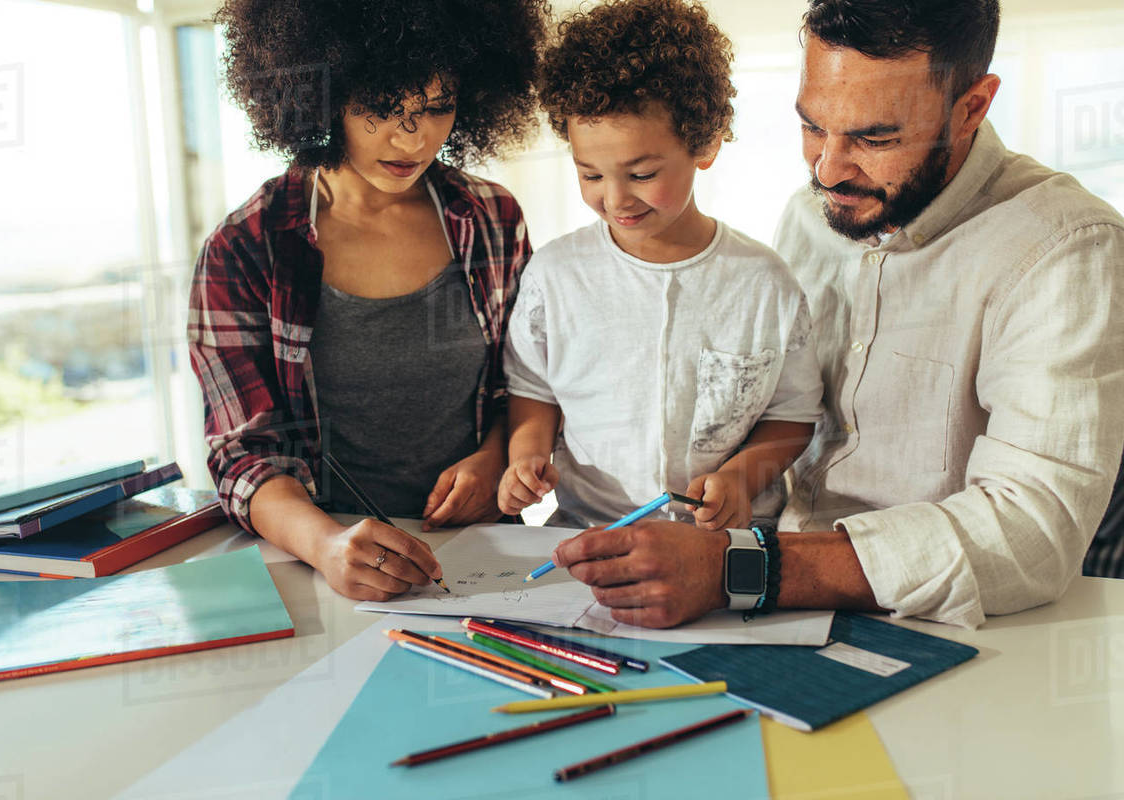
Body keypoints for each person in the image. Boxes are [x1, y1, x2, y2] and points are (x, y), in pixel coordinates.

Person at [550, 0, 1124, 629]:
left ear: (972, 108)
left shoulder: (1067, 244)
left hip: (944, 632)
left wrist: (734, 568)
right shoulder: (812, 215)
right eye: (813, 127)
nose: (827, 169)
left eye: (875, 138)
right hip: (760, 607)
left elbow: (1033, 534)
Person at [188, 0, 547, 601]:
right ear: (322, 97)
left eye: (438, 107)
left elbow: (527, 381)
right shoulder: (246, 245)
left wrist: (493, 461)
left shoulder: (491, 218)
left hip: (481, 560)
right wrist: (328, 546)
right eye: (382, 108)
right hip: (320, 564)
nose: (413, 136)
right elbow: (243, 452)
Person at [497, 0, 824, 535]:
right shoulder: (555, 275)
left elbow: (794, 416)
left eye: (643, 173)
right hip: (588, 531)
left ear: (705, 143)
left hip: (724, 542)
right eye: (591, 175)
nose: (616, 199)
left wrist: (741, 479)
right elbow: (533, 390)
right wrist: (525, 455)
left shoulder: (764, 282)